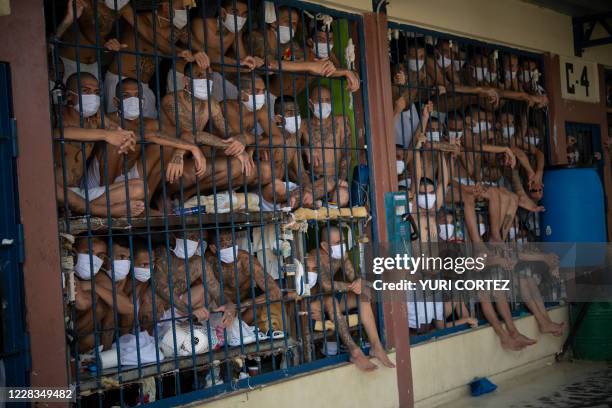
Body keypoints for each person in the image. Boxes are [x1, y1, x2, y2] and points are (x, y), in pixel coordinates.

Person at [88, 77, 206, 211]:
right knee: (117, 142)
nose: (133, 100)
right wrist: (192, 148)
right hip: (101, 185)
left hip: (132, 181)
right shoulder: (106, 120)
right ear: (116, 102)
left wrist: (179, 153)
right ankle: (107, 205)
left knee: (165, 147)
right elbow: (148, 135)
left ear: (143, 101)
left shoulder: (149, 123)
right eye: (126, 96)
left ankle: (144, 206)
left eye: (137, 95)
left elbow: (187, 133)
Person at [159, 63, 256, 208]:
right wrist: (230, 145)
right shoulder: (171, 100)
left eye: (208, 77)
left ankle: (187, 195)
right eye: (199, 76)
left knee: (237, 165)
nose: (205, 80)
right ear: (186, 81)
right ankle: (162, 195)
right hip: (170, 158)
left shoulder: (211, 103)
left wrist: (240, 142)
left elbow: (228, 131)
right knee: (196, 169)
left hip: (194, 157)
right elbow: (192, 134)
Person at [54, 72, 146, 217]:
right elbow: (58, 133)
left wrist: (127, 137)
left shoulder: (95, 117)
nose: (92, 96)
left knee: (140, 188)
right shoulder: (56, 114)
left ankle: (81, 210)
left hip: (81, 192)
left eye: (96, 92)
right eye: (86, 91)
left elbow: (117, 131)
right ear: (69, 95)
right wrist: (105, 134)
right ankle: (101, 211)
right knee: (57, 190)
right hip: (56, 191)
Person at [307, 226, 395, 371]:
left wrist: (359, 282)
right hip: (312, 304)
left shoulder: (341, 254)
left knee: (364, 293)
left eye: (342, 241)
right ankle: (354, 351)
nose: (341, 245)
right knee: (332, 300)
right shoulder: (315, 256)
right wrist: (351, 286)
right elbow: (326, 285)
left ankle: (376, 346)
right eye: (337, 243)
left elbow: (353, 277)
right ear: (324, 245)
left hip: (328, 300)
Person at [104, 0, 210, 118]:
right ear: (165, 6)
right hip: (121, 82)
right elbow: (156, 40)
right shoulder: (144, 20)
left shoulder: (178, 30)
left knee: (148, 125)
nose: (186, 12)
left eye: (188, 9)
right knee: (120, 123)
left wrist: (199, 53)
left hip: (144, 86)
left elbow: (199, 46)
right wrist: (181, 52)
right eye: (183, 8)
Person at [300, 85, 352, 207]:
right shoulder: (302, 124)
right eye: (320, 100)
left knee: (342, 195)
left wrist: (341, 179)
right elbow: (290, 152)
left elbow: (347, 152)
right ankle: (315, 202)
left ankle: (318, 203)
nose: (324, 104)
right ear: (310, 103)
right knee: (301, 196)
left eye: (327, 100)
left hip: (334, 181)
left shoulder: (341, 121)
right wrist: (304, 149)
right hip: (309, 180)